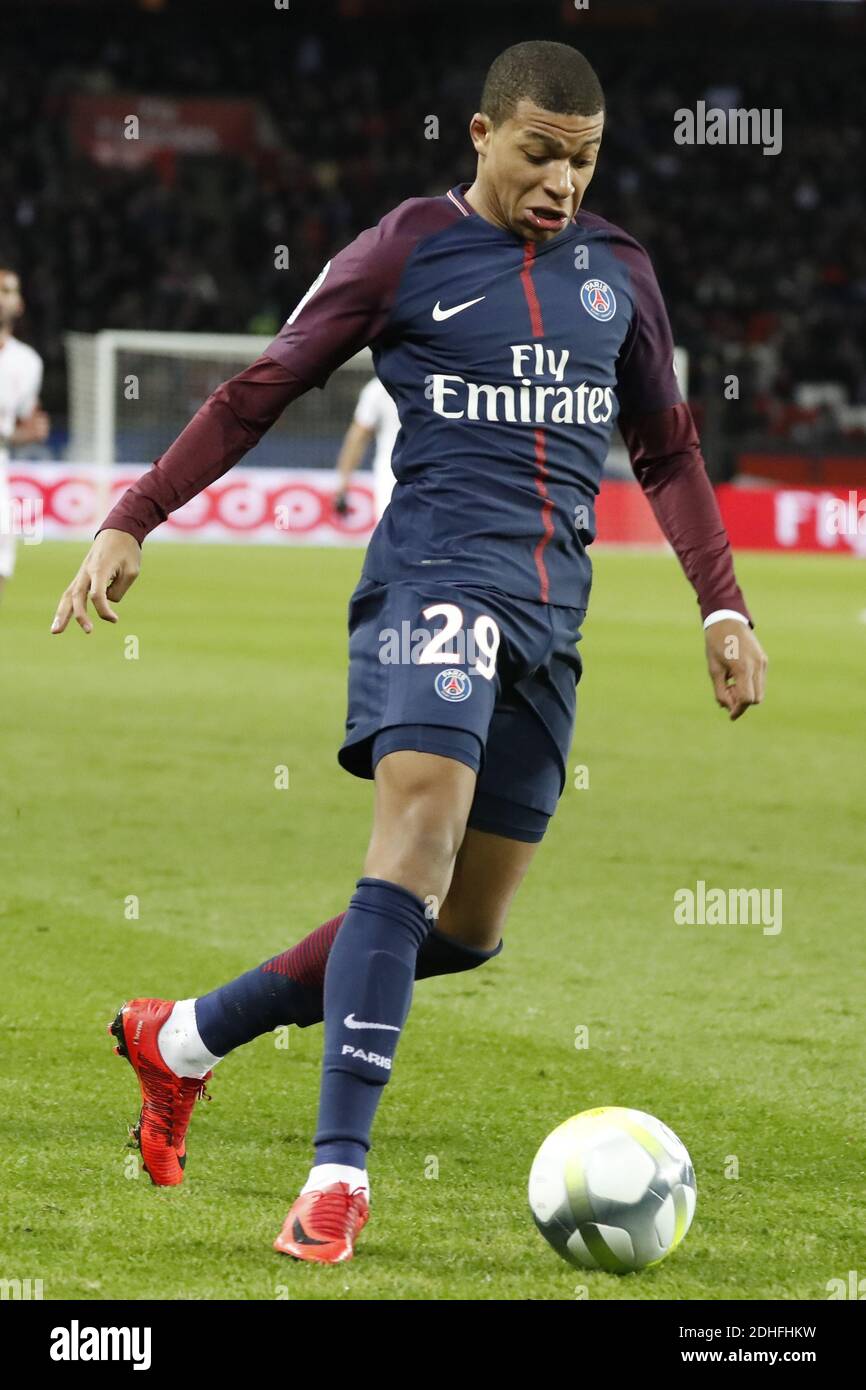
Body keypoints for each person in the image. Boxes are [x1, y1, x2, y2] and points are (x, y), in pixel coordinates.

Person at [51, 40, 767, 1265]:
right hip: (432, 581)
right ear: (481, 136)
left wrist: (720, 605)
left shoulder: (619, 274)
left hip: (551, 621)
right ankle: (339, 1178)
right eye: (539, 153)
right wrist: (130, 516)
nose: (560, 184)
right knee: (415, 841)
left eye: (582, 161)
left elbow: (667, 449)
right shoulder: (402, 249)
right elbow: (258, 390)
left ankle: (180, 1040)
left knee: (467, 927)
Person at [0, 268, 49, 606]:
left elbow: (25, 425)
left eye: (7, 290)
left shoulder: (27, 362)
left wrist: (29, 433)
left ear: (19, 304)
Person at [333, 374, 401, 523]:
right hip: (435, 470)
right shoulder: (441, 379)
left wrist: (343, 482)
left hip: (393, 474)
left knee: (392, 536)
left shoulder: (379, 387)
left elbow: (358, 437)